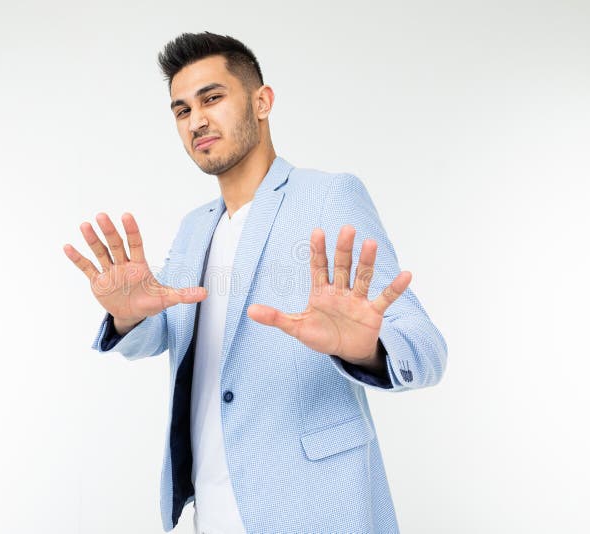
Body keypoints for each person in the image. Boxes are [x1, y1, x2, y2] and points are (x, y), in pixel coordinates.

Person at [63, 31, 447, 534]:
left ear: (262, 102)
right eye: (181, 110)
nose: (197, 120)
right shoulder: (193, 227)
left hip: (314, 505)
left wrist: (365, 350)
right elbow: (170, 337)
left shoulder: (329, 196)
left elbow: (425, 348)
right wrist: (130, 315)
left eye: (212, 98)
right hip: (213, 509)